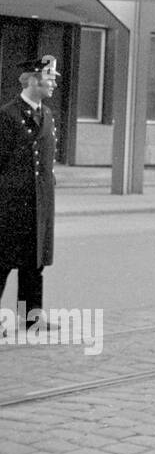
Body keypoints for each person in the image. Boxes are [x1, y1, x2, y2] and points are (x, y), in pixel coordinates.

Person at [0, 57, 59, 333]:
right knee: (3, 262)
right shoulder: (7, 115)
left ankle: (31, 317)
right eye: (50, 78)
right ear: (33, 79)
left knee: (34, 262)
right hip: (11, 203)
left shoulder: (47, 114)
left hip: (40, 202)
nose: (54, 83)